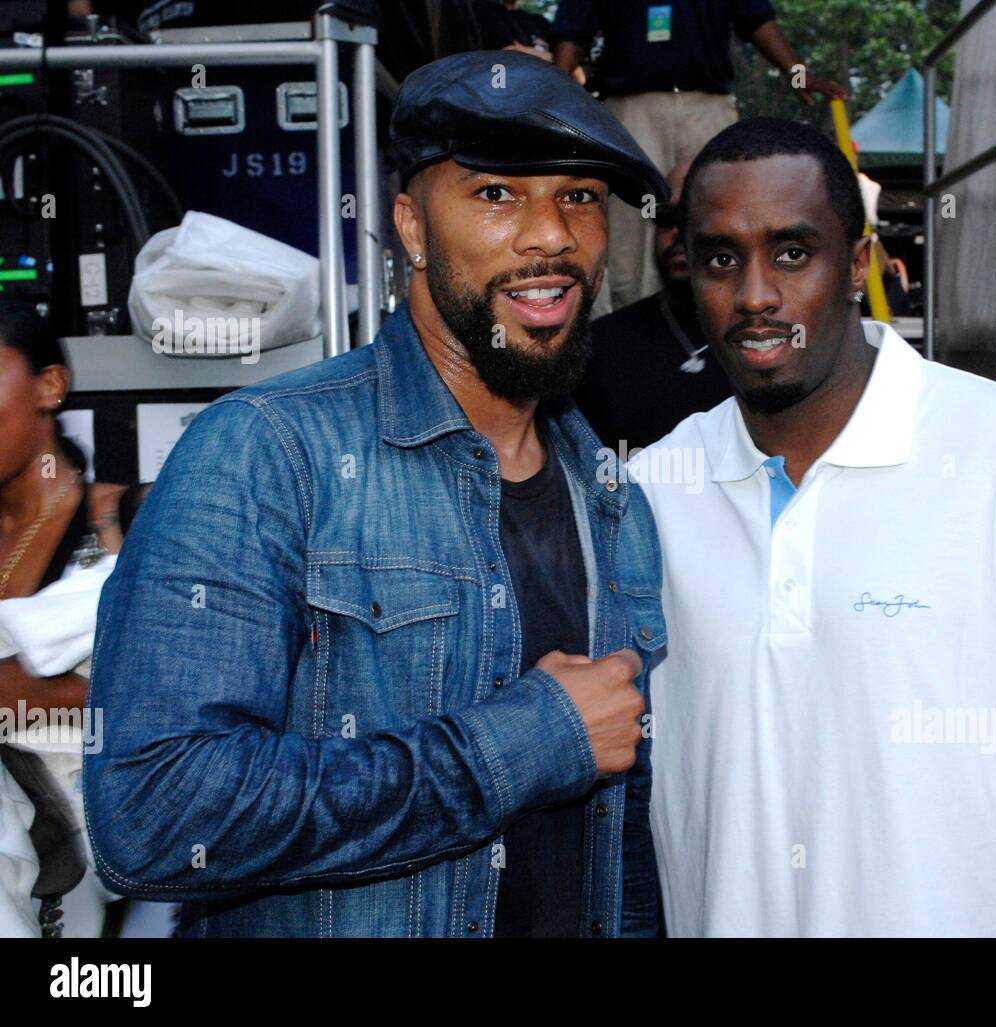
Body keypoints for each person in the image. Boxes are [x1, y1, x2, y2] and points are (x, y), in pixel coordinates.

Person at [85, 51, 669, 938]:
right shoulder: (267, 450)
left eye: (579, 197)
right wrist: (522, 743)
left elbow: (615, 843)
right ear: (411, 226)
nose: (550, 234)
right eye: (498, 194)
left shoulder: (612, 497)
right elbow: (155, 815)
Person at [630, 118, 996, 937]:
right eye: (722, 258)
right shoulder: (654, 491)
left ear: (858, 264)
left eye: (793, 252)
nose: (756, 294)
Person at [0, 299, 150, 937]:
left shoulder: (130, 524)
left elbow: (182, 705)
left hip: (93, 855)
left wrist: (29, 695)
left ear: (50, 385)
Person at [553, 0, 845, 313]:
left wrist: (799, 75)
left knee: (724, 218)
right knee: (633, 235)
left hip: (707, 105)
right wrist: (553, 94)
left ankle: (726, 325)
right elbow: (574, 28)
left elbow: (757, 17)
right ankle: (635, 333)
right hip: (633, 107)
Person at [576, 158, 732, 451]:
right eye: (665, 219)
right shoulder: (600, 346)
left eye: (692, 217)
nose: (676, 233)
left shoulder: (769, 338)